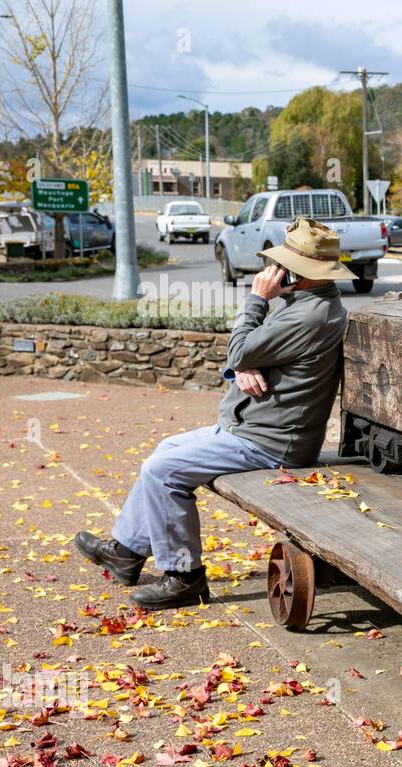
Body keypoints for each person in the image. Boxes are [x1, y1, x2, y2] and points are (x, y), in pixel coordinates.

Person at [75, 216, 353, 609]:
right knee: (165, 448)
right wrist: (244, 366)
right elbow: (248, 354)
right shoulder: (302, 303)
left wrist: (256, 302)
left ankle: (184, 577)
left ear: (301, 273)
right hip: (250, 427)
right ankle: (126, 550)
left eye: (282, 264)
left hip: (270, 442)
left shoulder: (308, 315)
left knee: (163, 471)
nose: (272, 271)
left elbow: (240, 348)